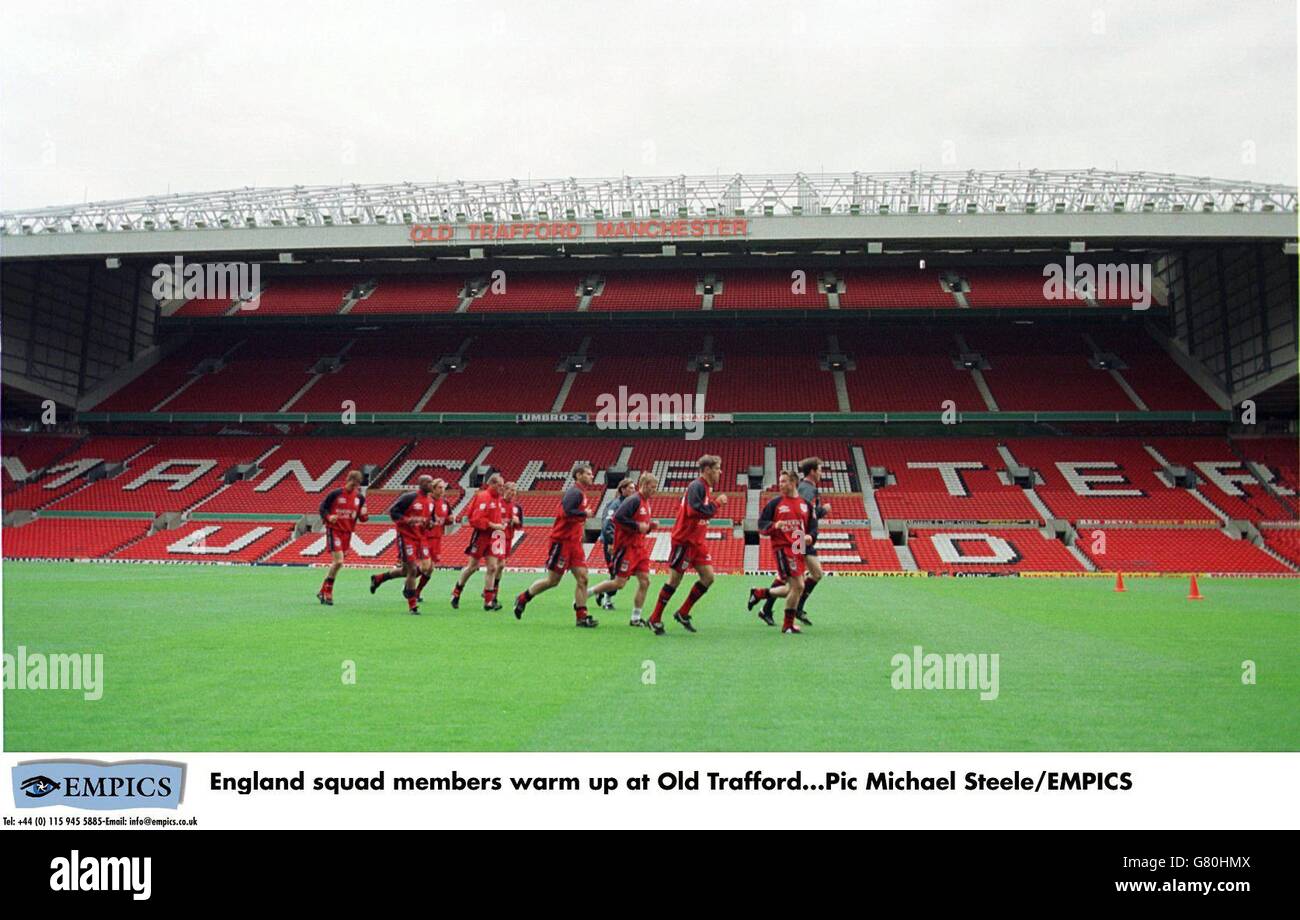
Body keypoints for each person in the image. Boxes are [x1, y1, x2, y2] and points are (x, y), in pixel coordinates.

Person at [645, 454, 727, 636]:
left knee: (708, 577)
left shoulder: (705, 487)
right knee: (674, 580)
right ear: (707, 470)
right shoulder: (697, 486)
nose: (720, 472)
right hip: (684, 540)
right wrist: (716, 504)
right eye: (717, 468)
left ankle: (683, 612)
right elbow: (693, 511)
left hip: (696, 542)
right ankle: (655, 618)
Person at [513, 463, 598, 628]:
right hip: (562, 542)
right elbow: (566, 512)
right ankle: (523, 597)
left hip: (574, 543)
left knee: (583, 578)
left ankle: (581, 616)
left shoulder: (581, 493)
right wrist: (584, 514)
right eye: (588, 474)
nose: (591, 476)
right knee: (553, 581)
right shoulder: (574, 492)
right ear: (579, 475)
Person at [587, 473, 658, 627]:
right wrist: (637, 526)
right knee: (619, 583)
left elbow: (641, 527)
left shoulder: (646, 502)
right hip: (627, 548)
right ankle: (589, 593)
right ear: (644, 485)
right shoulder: (633, 500)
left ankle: (635, 618)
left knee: (645, 582)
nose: (654, 491)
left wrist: (650, 528)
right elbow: (618, 518)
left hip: (640, 549)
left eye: (656, 488)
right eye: (652, 487)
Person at [747, 470, 813, 634]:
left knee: (795, 588)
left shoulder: (805, 504)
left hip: (799, 550)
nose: (780, 484)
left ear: (793, 483)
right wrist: (774, 526)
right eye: (780, 481)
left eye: (784, 481)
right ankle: (787, 625)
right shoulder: (775, 503)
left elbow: (811, 526)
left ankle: (760, 593)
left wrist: (810, 537)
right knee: (798, 586)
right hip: (783, 549)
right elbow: (761, 525)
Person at [370, 474, 437, 614]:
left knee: (423, 568)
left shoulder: (431, 502)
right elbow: (393, 512)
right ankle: (412, 605)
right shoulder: (409, 497)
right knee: (412, 570)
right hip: (406, 537)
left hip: (421, 537)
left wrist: (431, 524)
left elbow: (431, 519)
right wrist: (407, 520)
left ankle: (379, 578)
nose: (431, 484)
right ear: (421, 484)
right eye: (428, 482)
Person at [450, 473, 508, 611]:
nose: (502, 489)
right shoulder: (483, 497)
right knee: (472, 567)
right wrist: (495, 525)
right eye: (500, 486)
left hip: (493, 536)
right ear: (492, 484)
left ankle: (488, 602)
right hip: (481, 536)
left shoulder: (498, 499)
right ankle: (456, 592)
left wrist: (500, 524)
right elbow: (475, 520)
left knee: (493, 567)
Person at [315, 469, 368, 605]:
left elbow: (363, 518)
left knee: (337, 564)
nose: (354, 487)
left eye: (356, 484)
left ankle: (322, 590)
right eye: (352, 484)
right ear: (348, 480)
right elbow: (322, 508)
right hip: (334, 530)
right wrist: (328, 516)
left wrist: (364, 514)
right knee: (338, 562)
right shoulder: (336, 493)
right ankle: (328, 592)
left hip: (348, 533)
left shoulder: (360, 498)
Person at [593, 477, 635, 610]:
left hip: (623, 544)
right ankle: (607, 601)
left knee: (624, 576)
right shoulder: (615, 505)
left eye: (634, 488)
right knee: (616, 575)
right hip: (613, 545)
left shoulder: (630, 505)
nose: (633, 490)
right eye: (630, 488)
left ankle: (600, 591)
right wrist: (611, 542)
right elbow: (607, 524)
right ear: (623, 490)